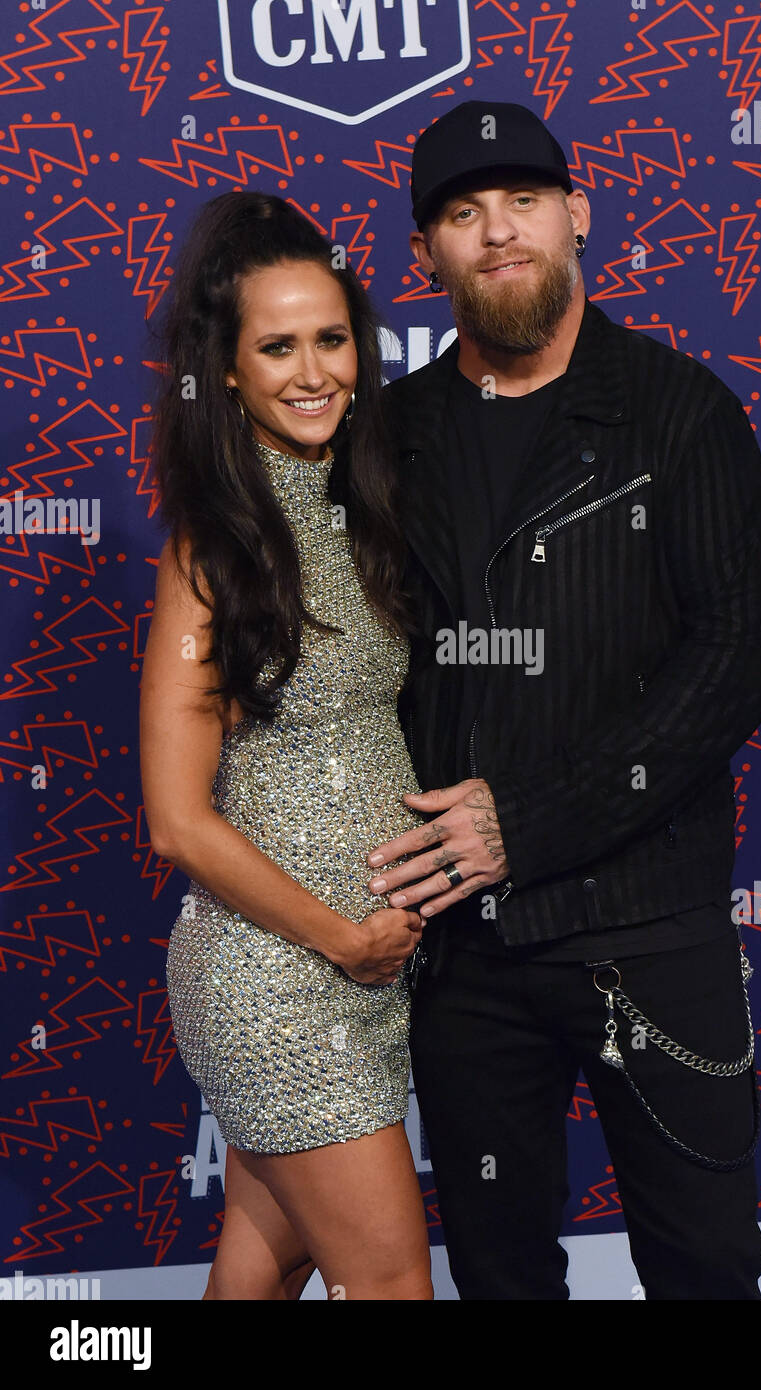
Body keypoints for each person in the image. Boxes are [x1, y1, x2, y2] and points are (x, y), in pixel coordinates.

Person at [365, 101, 761, 1299]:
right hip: (465, 954)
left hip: (648, 931)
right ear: (425, 255)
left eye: (522, 201)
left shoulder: (679, 412)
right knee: (501, 1278)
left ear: (577, 215)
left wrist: (526, 819)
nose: (496, 233)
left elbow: (736, 658)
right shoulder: (387, 438)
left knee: (703, 1268)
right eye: (461, 213)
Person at [140, 191, 431, 1300]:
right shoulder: (209, 551)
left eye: (331, 337)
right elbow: (176, 820)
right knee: (395, 1280)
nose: (313, 371)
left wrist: (370, 950)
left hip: (364, 971)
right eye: (276, 347)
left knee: (263, 1263)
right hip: (279, 980)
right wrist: (344, 941)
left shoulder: (362, 507)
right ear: (226, 369)